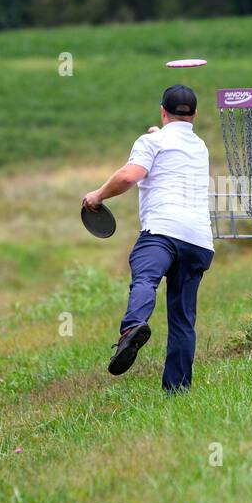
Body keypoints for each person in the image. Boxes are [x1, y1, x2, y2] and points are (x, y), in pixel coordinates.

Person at [82, 84, 215, 392]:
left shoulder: (151, 141)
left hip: (163, 233)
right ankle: (177, 390)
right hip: (198, 242)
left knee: (145, 277)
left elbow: (129, 176)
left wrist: (97, 196)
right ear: (195, 114)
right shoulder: (199, 146)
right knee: (183, 319)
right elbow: (173, 145)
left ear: (162, 110)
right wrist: (158, 135)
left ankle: (133, 327)